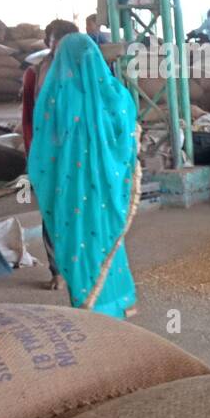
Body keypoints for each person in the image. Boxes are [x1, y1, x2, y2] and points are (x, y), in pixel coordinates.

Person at [27, 33, 140, 319]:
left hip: (68, 191)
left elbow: (42, 150)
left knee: (77, 243)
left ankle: (85, 305)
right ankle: (113, 304)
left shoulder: (55, 100)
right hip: (104, 189)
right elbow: (128, 132)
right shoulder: (114, 96)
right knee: (104, 238)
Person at [20, 19, 78, 291]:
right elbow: (28, 118)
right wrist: (33, 153)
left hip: (79, 150)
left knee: (82, 206)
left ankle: (82, 263)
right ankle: (57, 269)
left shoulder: (83, 69)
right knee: (52, 211)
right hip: (49, 152)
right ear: (48, 44)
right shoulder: (35, 73)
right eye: (58, 44)